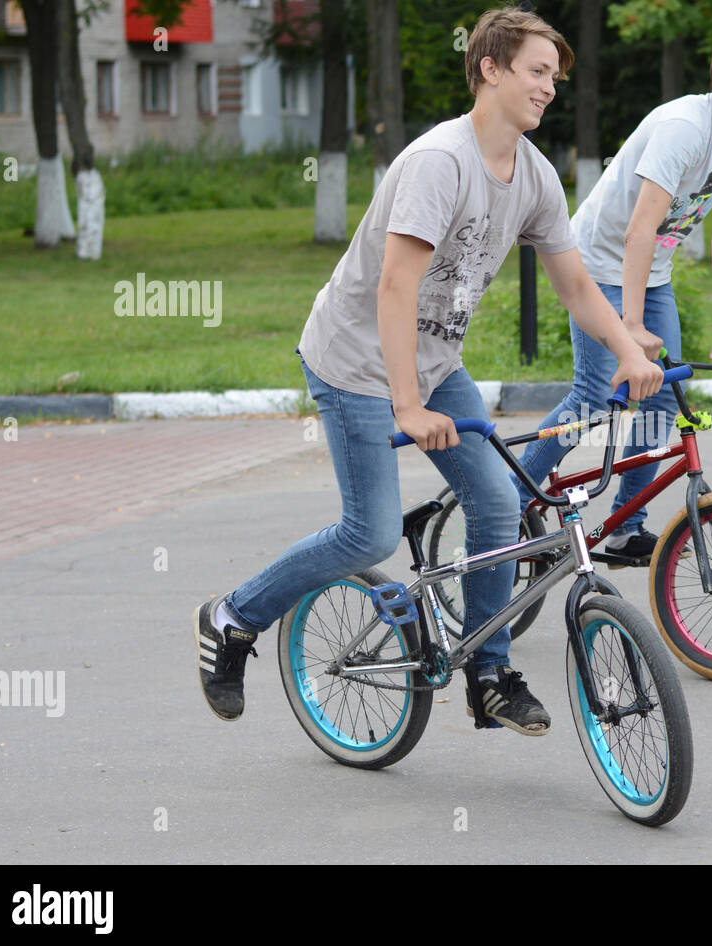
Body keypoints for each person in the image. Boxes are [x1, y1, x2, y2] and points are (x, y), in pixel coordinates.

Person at [191, 6, 662, 737]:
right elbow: (394, 287)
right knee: (369, 532)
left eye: (555, 78)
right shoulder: (440, 162)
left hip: (435, 360)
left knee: (500, 508)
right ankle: (231, 618)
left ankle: (490, 675)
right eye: (537, 72)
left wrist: (630, 350)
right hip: (354, 361)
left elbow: (575, 285)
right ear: (490, 69)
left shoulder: (534, 176)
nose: (549, 88)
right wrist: (406, 406)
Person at [516, 23, 712, 559]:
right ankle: (507, 497)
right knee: (596, 397)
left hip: (649, 273)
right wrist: (631, 327)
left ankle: (624, 526)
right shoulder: (685, 127)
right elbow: (640, 229)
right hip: (595, 264)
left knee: (664, 399)